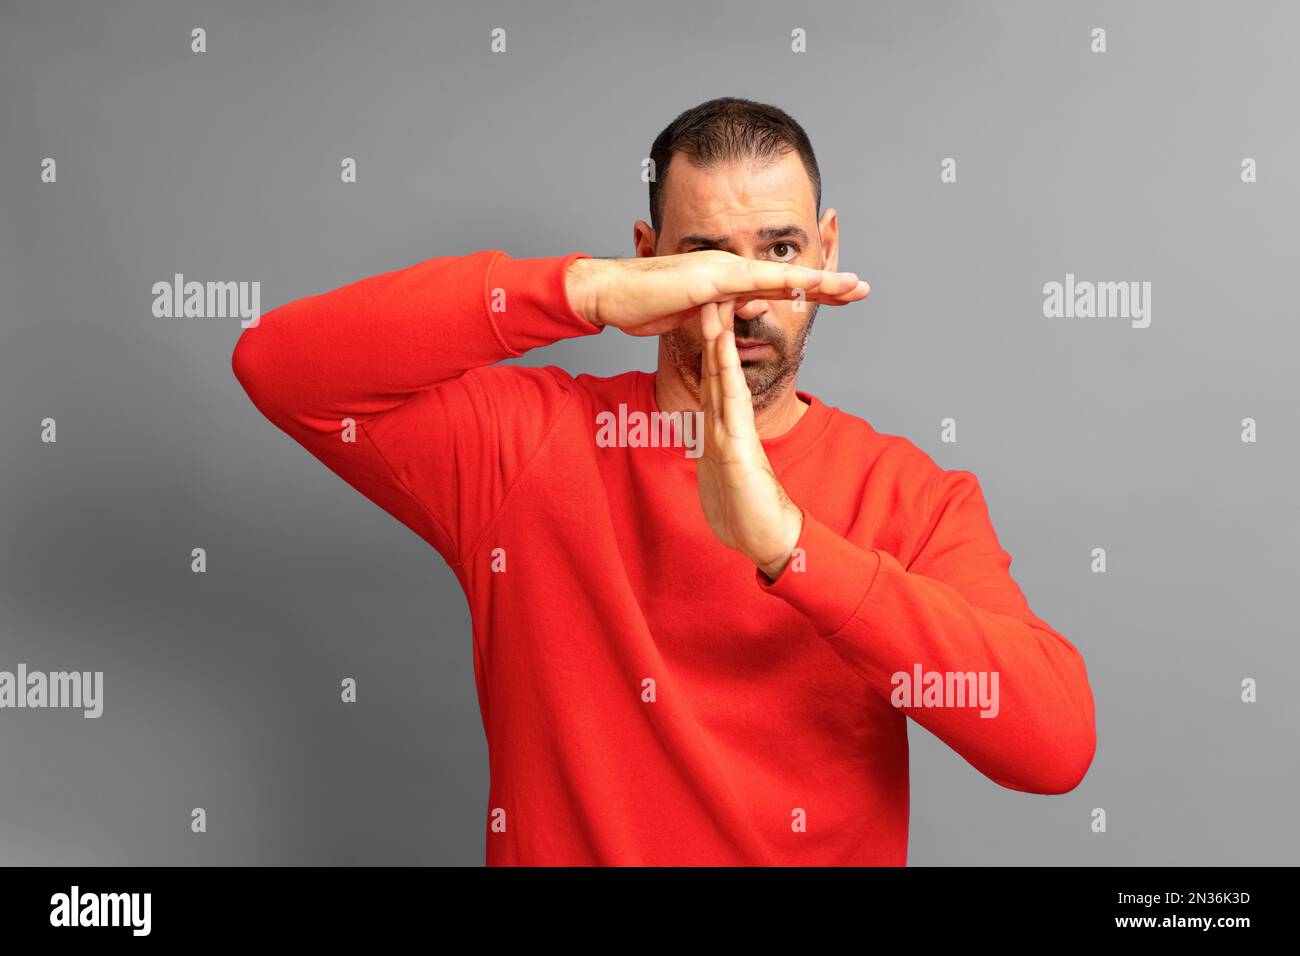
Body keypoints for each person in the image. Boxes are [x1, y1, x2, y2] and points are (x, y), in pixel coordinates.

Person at [232, 96, 1096, 866]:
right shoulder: (528, 445)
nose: (747, 296)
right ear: (649, 258)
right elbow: (278, 367)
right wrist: (584, 291)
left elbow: (1053, 747)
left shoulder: (910, 497)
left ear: (826, 250)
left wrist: (792, 550)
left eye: (780, 251)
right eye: (708, 258)